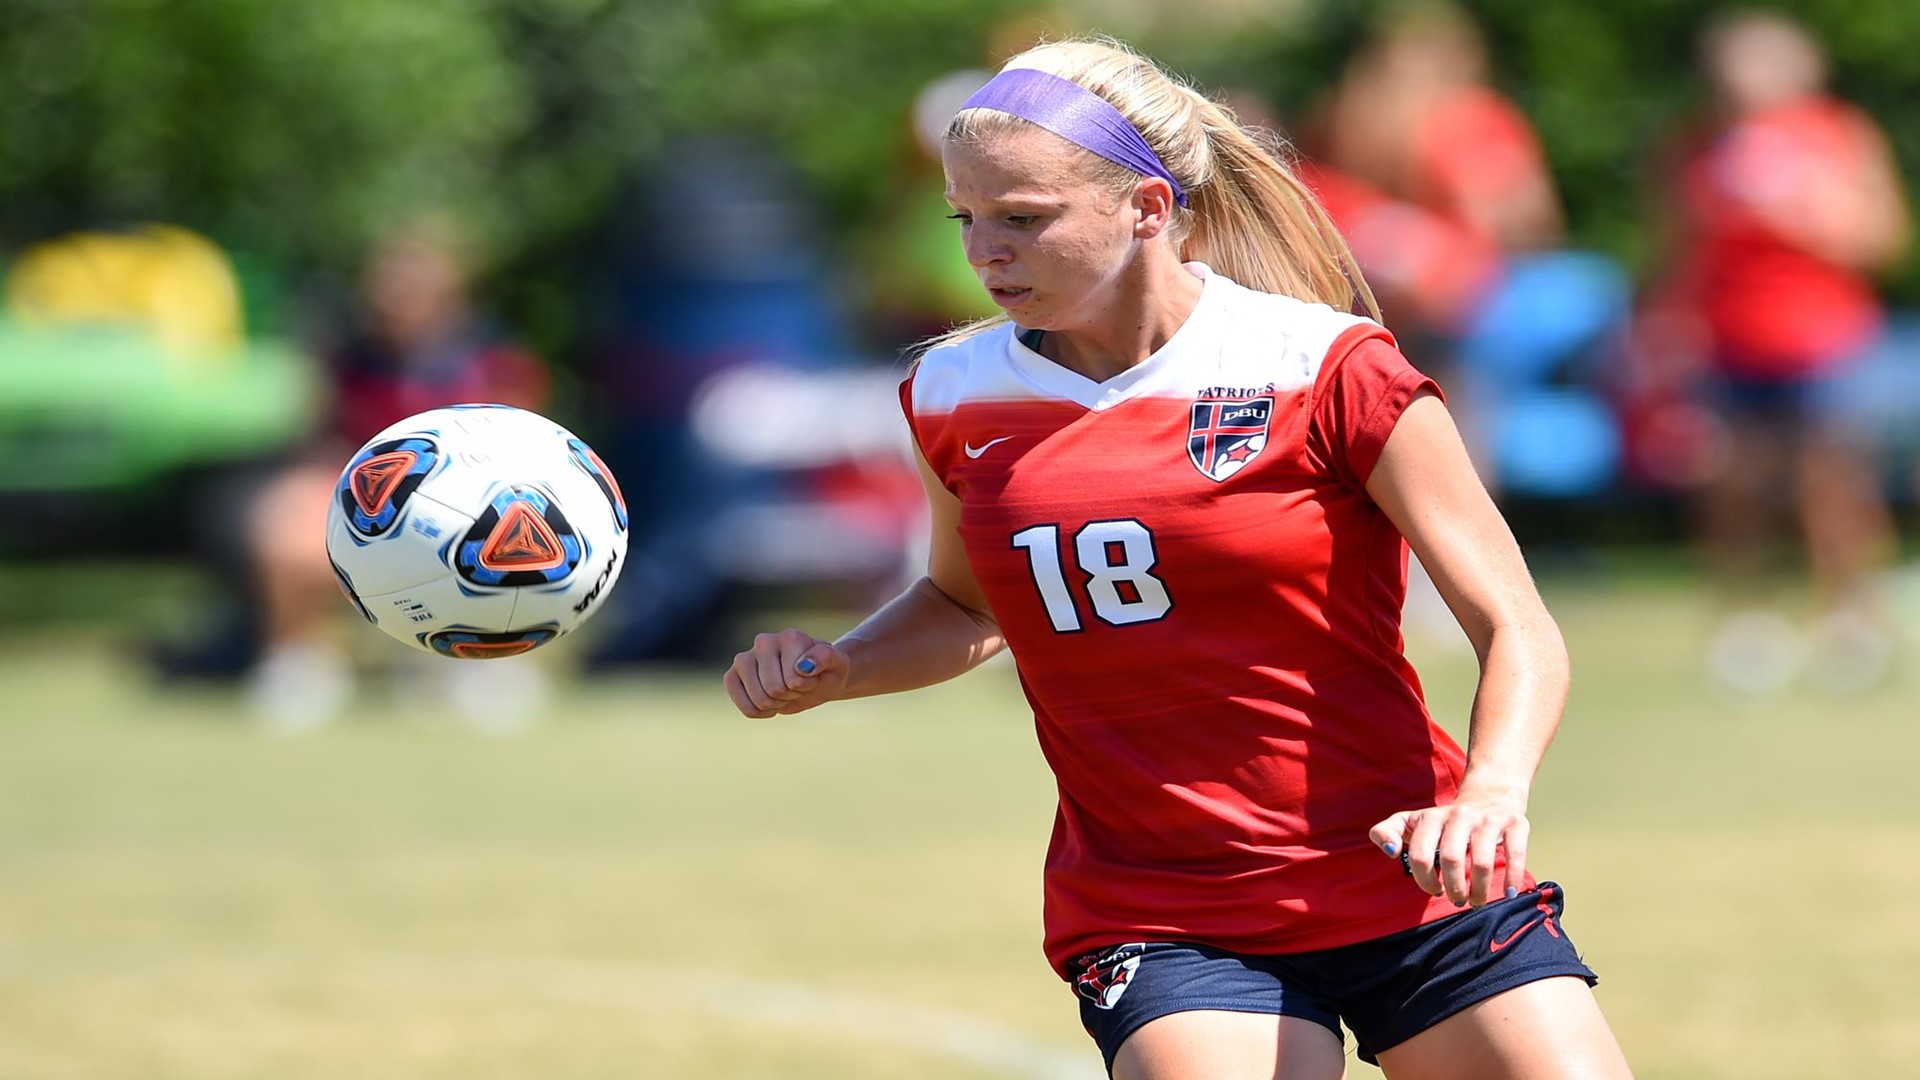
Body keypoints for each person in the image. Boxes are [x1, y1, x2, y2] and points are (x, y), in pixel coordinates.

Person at [725, 38, 1633, 1080]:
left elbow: (1516, 625)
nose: (985, 252)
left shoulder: (1323, 367)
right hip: (1164, 906)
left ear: (1148, 208)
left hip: (1406, 869)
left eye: (1024, 217)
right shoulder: (952, 394)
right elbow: (964, 605)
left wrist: (1492, 793)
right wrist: (844, 665)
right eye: (965, 219)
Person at [1647, 10, 1909, 694]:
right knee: (1730, 487)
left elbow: (1884, 240)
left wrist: (1801, 206)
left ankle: (1850, 620)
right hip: (1728, 342)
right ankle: (1746, 626)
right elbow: (1677, 251)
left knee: (1833, 485)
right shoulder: (1696, 149)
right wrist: (1669, 330)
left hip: (1826, 339)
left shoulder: (1839, 136)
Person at [242, 217, 548, 729]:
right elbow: (323, 442)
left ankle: (488, 660)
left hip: (475, 498)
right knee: (286, 519)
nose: (397, 295)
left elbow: (529, 448)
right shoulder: (350, 357)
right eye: (389, 283)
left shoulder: (491, 356)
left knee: (505, 526)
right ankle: (298, 661)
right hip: (366, 492)